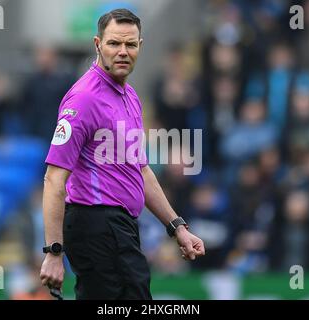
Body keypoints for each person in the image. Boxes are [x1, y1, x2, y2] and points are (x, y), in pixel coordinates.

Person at [39, 8, 205, 300]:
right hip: (95, 224)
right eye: (114, 43)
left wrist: (177, 226)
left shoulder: (130, 96)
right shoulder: (84, 99)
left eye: (130, 44)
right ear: (97, 45)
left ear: (140, 47)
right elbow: (54, 178)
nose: (123, 51)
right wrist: (53, 251)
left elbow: (140, 170)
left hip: (122, 226)